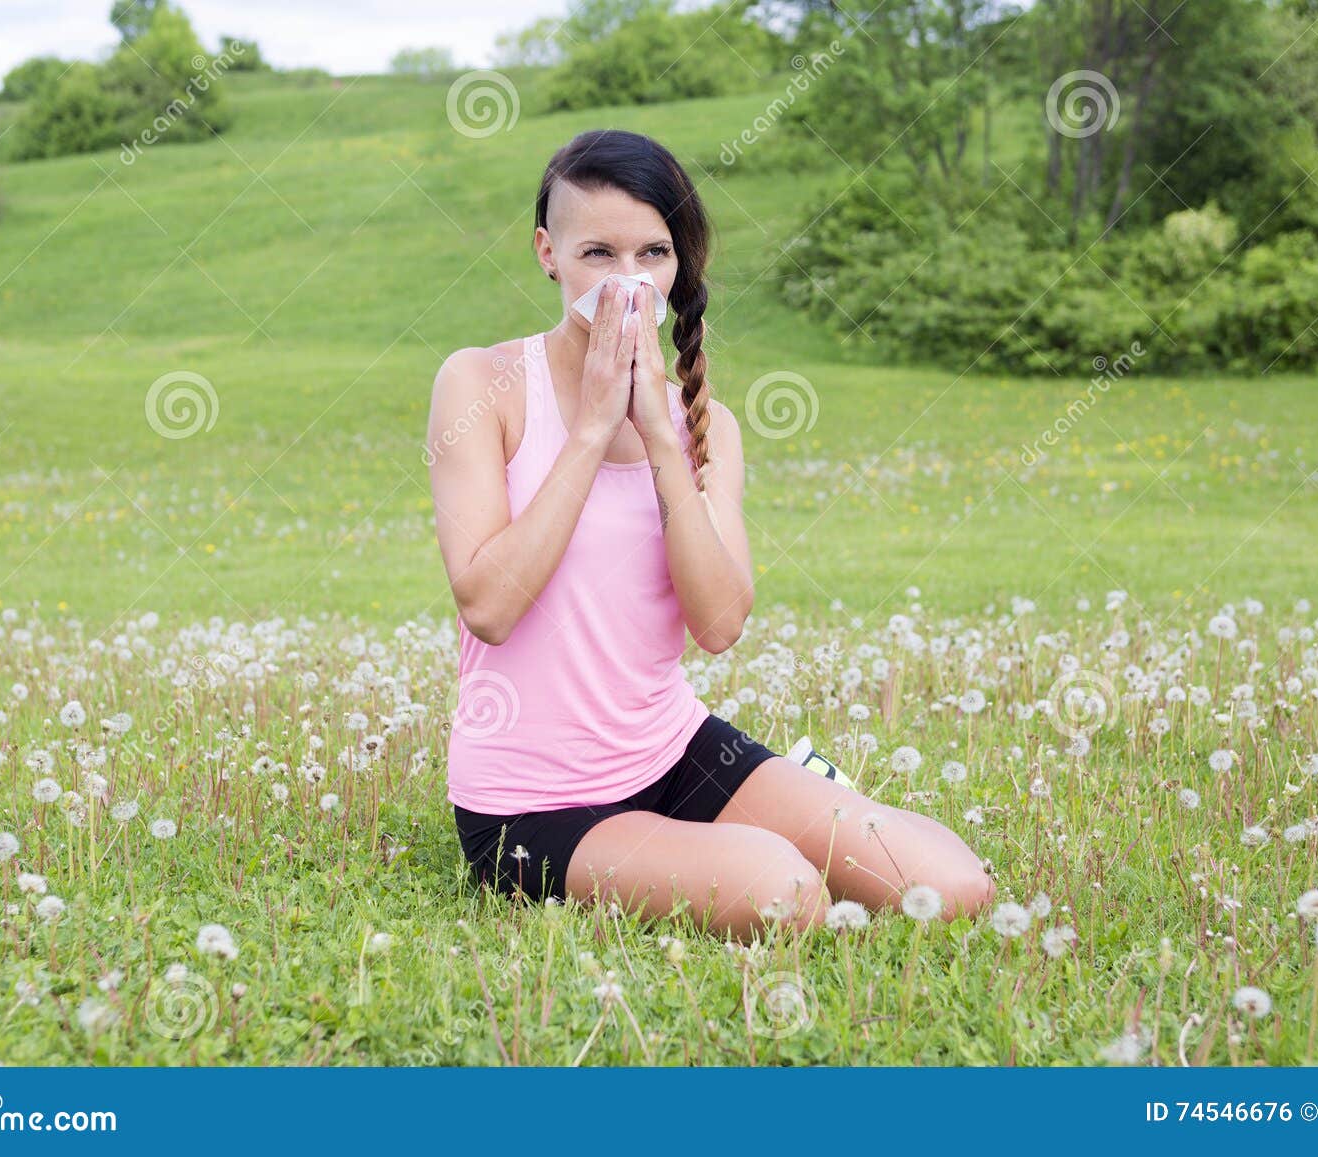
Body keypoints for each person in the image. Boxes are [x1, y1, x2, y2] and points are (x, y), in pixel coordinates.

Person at [426, 128, 994, 939]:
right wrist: (590, 430)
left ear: (678, 266)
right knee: (783, 895)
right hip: (534, 805)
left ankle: (799, 805)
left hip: (675, 751)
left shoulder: (707, 427)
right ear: (548, 254)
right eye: (597, 254)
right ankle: (743, 841)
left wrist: (663, 439)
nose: (627, 283)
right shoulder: (481, 384)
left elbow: (720, 623)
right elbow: (488, 604)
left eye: (652, 254)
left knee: (952, 887)